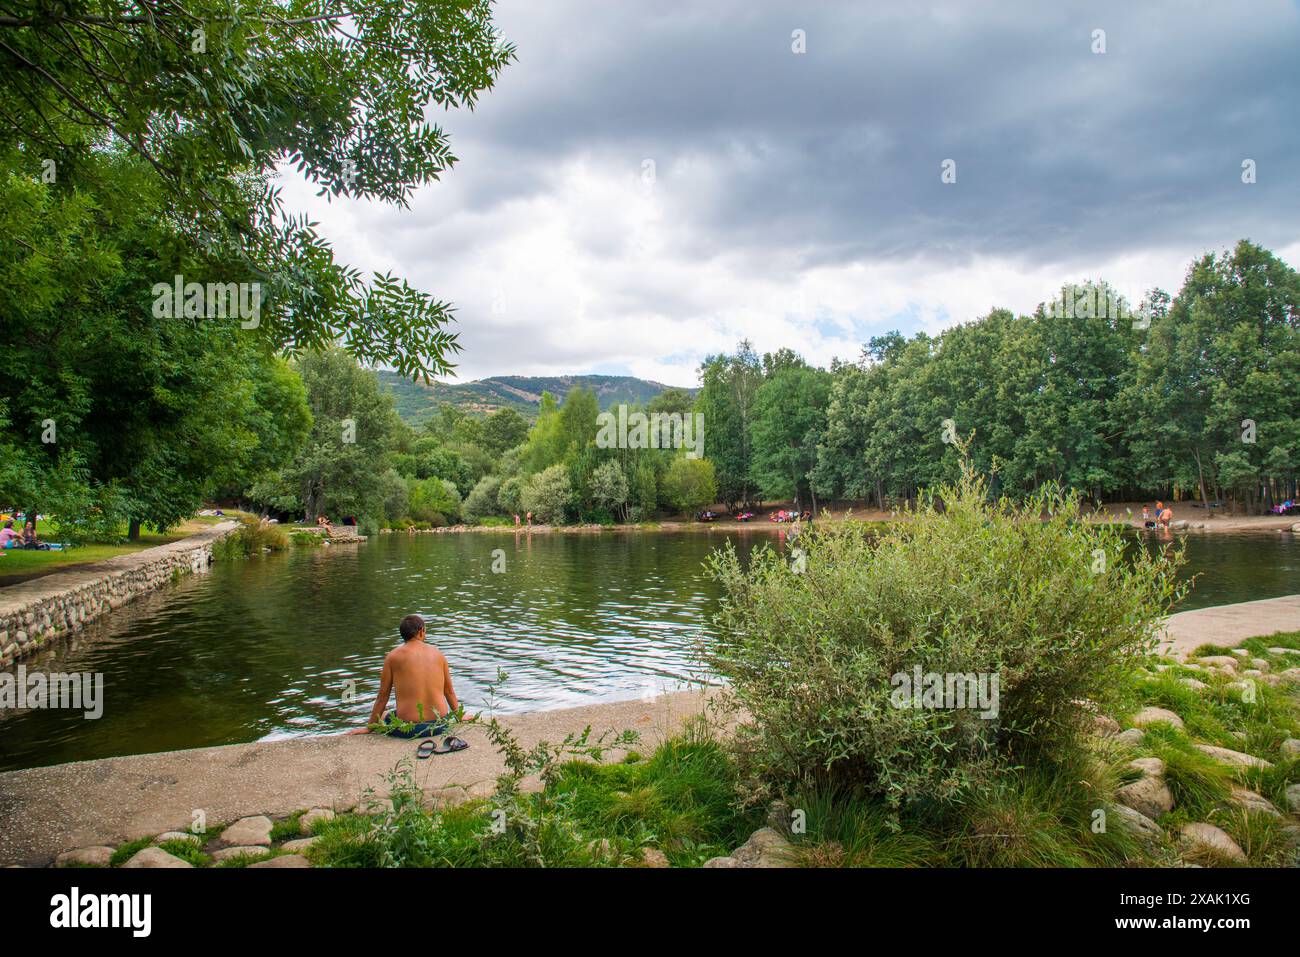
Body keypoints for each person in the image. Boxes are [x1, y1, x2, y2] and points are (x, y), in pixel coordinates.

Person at [349, 614, 460, 738]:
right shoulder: (438, 654)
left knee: (385, 714)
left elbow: (383, 696)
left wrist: (369, 727)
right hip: (440, 725)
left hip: (409, 729)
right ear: (421, 631)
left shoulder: (393, 657)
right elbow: (449, 691)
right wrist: (459, 716)